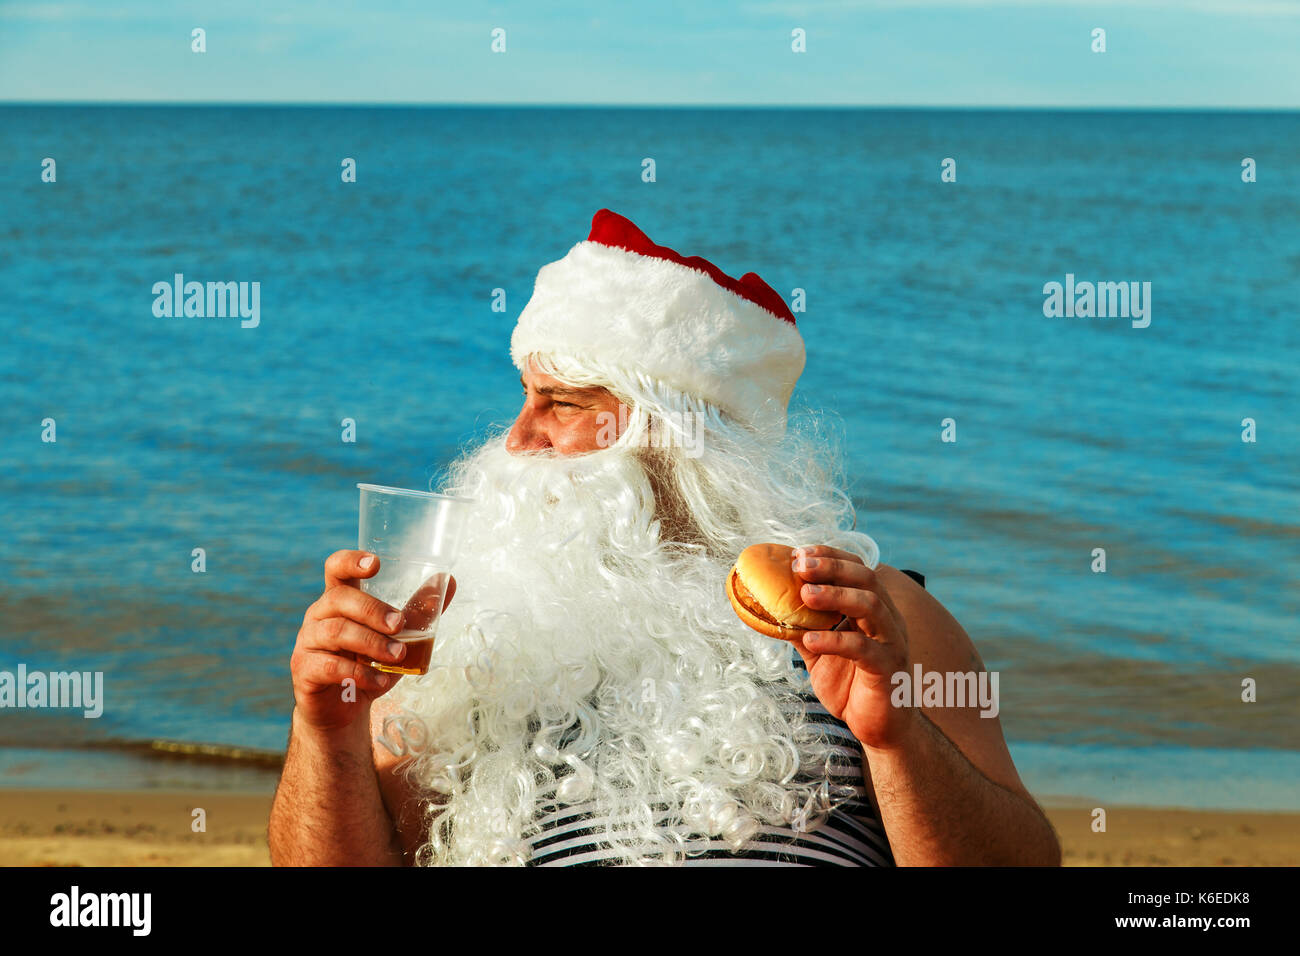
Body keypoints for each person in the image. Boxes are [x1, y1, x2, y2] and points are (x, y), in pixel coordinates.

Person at [268, 209, 1062, 867]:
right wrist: (325, 726)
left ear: (679, 433)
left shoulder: (864, 612)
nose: (517, 439)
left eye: (562, 403)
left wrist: (896, 741)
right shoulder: (448, 624)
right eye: (524, 396)